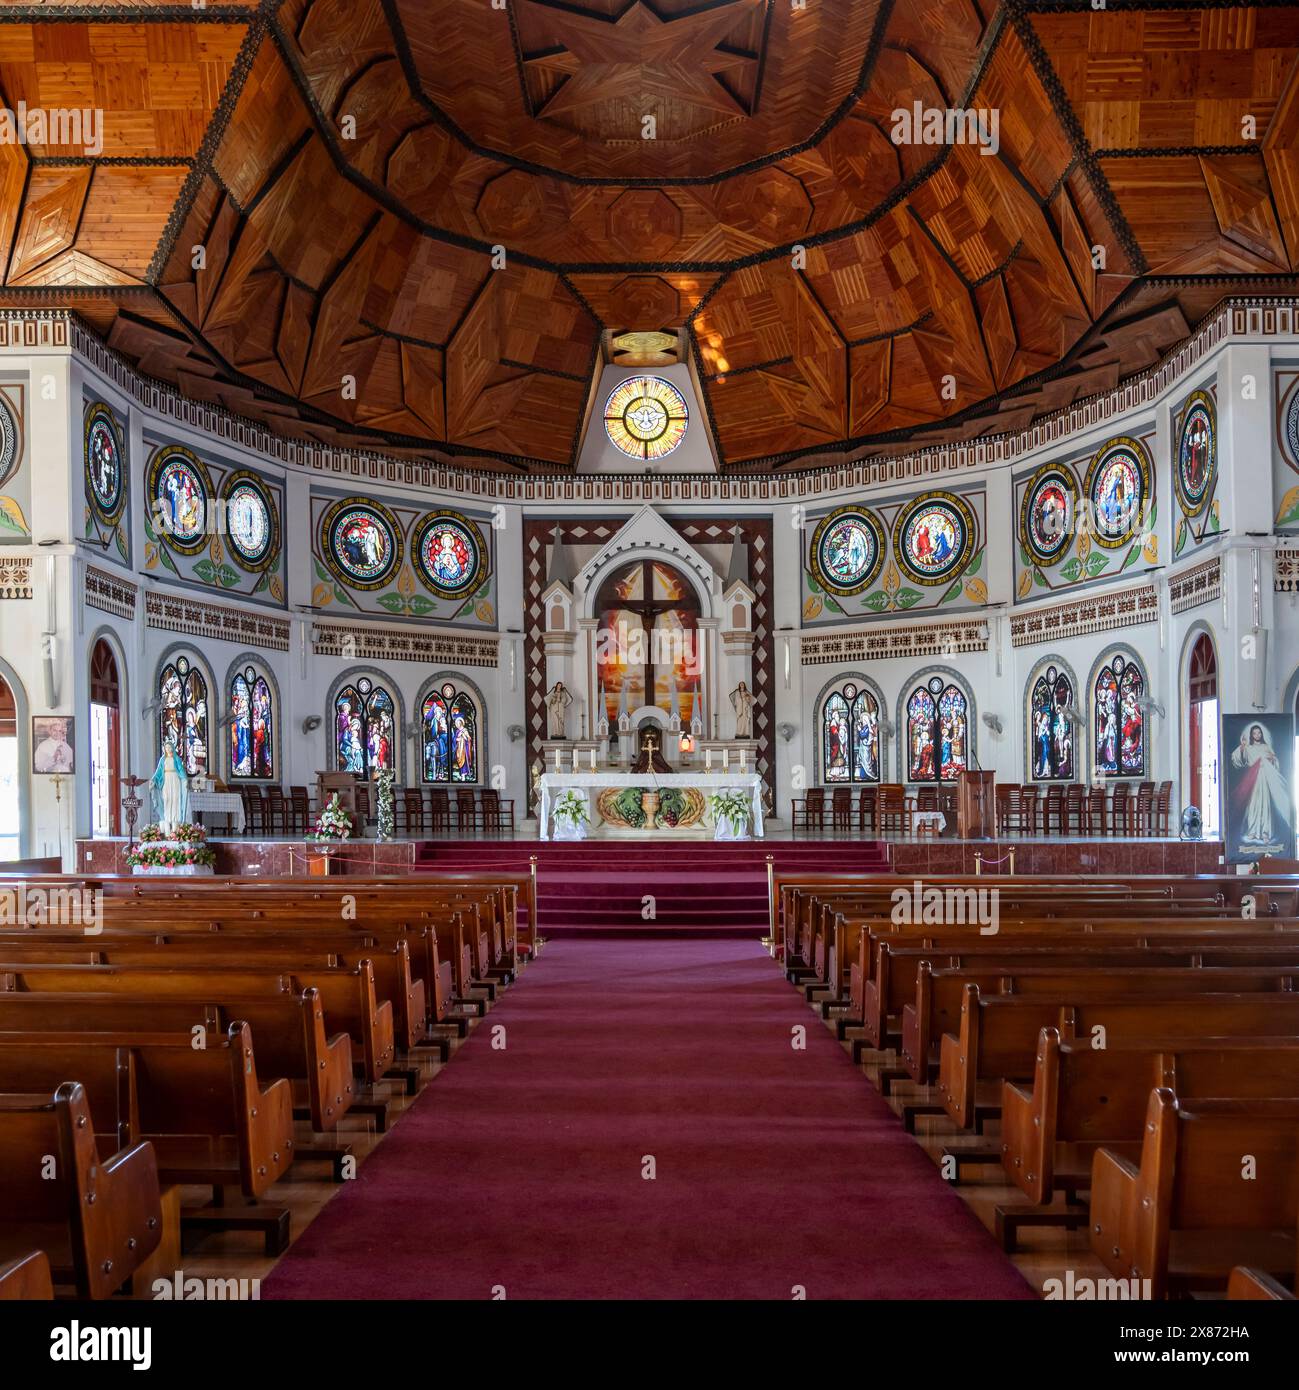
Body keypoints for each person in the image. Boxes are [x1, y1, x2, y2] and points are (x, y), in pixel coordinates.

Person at [1230, 722, 1291, 853]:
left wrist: (1273, 759)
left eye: (1259, 733)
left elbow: (1276, 763)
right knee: (1253, 806)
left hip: (1265, 779)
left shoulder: (1266, 747)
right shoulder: (1249, 748)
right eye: (1254, 733)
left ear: (1261, 734)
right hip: (1253, 780)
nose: (1257, 735)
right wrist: (1242, 746)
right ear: (1251, 735)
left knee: (1265, 806)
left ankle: (1265, 832)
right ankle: (1252, 831)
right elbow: (1236, 759)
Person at [150, 740, 190, 833]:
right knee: (166, 799)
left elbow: (180, 770)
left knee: (175, 799)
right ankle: (167, 822)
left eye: (169, 747)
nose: (168, 749)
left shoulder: (177, 759)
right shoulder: (162, 759)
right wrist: (153, 780)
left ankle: (175, 823)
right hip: (166, 781)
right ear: (164, 749)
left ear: (172, 748)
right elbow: (158, 771)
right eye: (166, 747)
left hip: (175, 780)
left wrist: (184, 780)